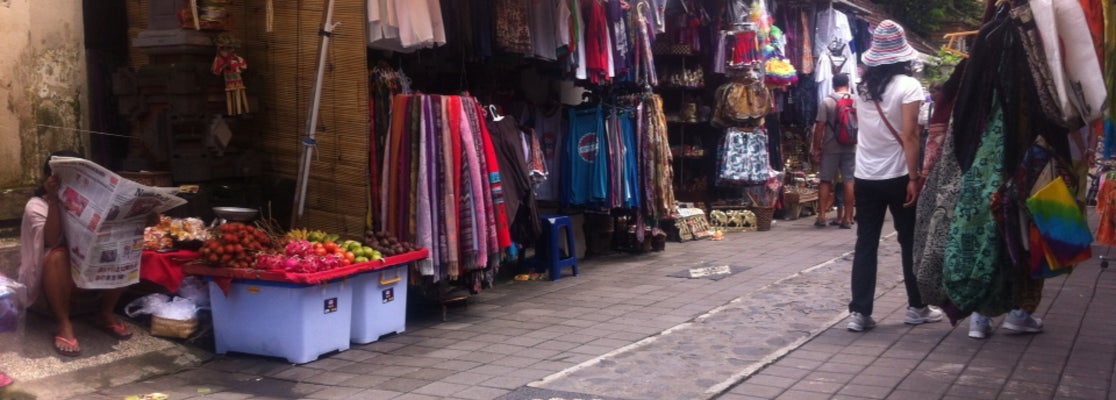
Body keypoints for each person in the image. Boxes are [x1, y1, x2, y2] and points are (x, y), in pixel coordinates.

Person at [846, 20, 942, 331]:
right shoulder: (909, 85)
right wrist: (914, 177)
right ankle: (916, 307)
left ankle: (859, 313)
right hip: (899, 174)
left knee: (866, 243)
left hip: (865, 174)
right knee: (909, 240)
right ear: (902, 55)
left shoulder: (860, 86)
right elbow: (911, 134)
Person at [18, 150, 132, 357]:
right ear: (49, 178)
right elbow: (51, 240)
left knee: (122, 248)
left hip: (90, 269)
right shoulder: (36, 205)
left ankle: (106, 312)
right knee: (57, 255)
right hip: (55, 278)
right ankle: (64, 324)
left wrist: (141, 219)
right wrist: (54, 199)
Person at [812, 73, 856, 229]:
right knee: (849, 181)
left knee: (825, 180)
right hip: (851, 146)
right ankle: (847, 218)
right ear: (848, 84)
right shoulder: (855, 101)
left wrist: (816, 148)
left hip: (830, 146)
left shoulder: (827, 102)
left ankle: (822, 215)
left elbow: (820, 127)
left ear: (833, 85)